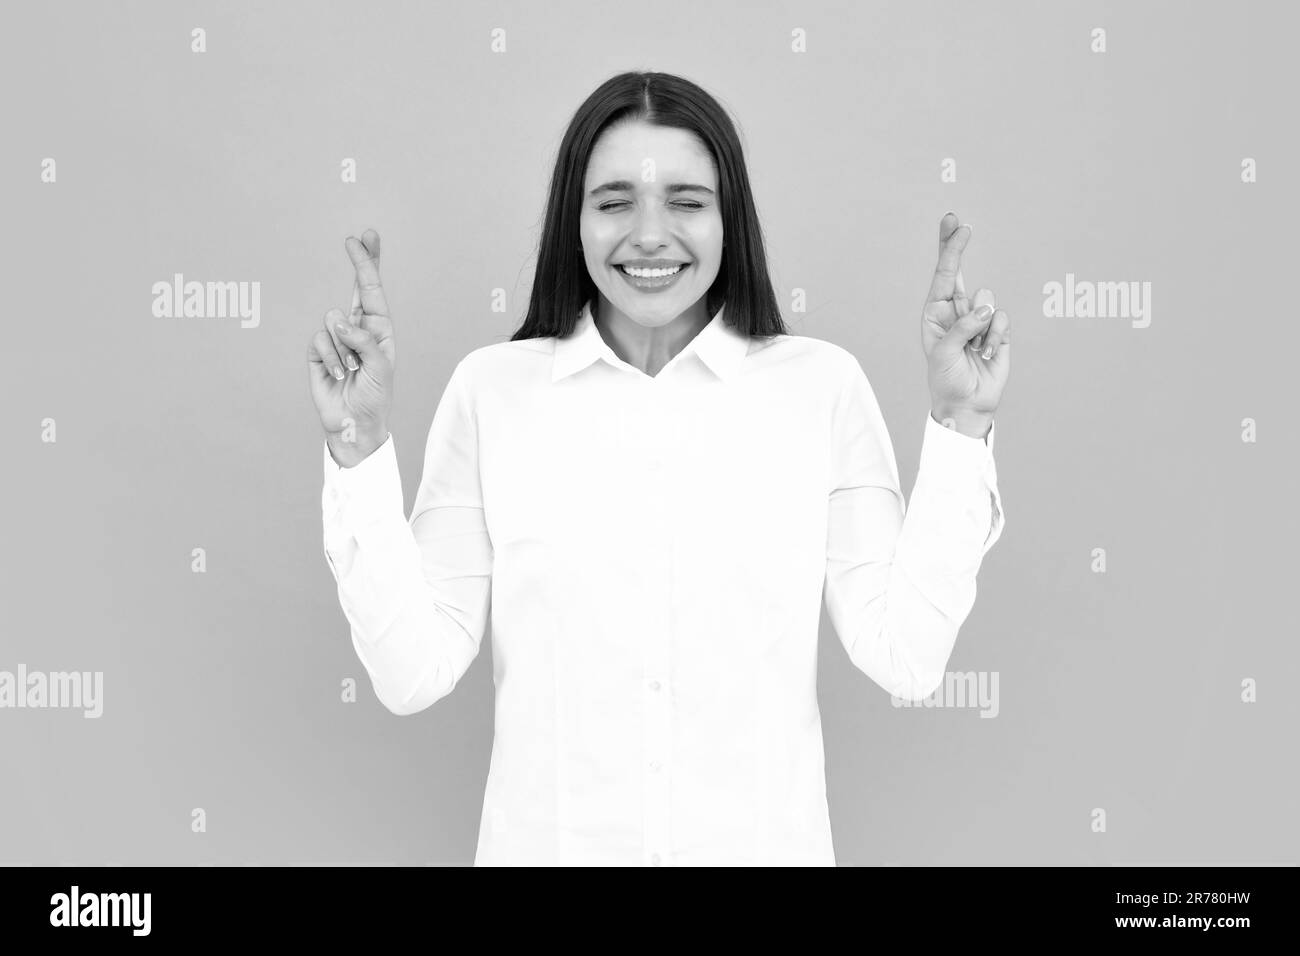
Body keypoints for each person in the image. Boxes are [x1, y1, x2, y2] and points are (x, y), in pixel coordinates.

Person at [306, 71, 1009, 866]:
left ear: (728, 218)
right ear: (572, 222)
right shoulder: (491, 393)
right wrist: (358, 451)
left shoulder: (821, 388)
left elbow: (905, 657)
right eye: (613, 202)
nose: (649, 234)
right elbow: (411, 672)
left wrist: (960, 425)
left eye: (685, 201)